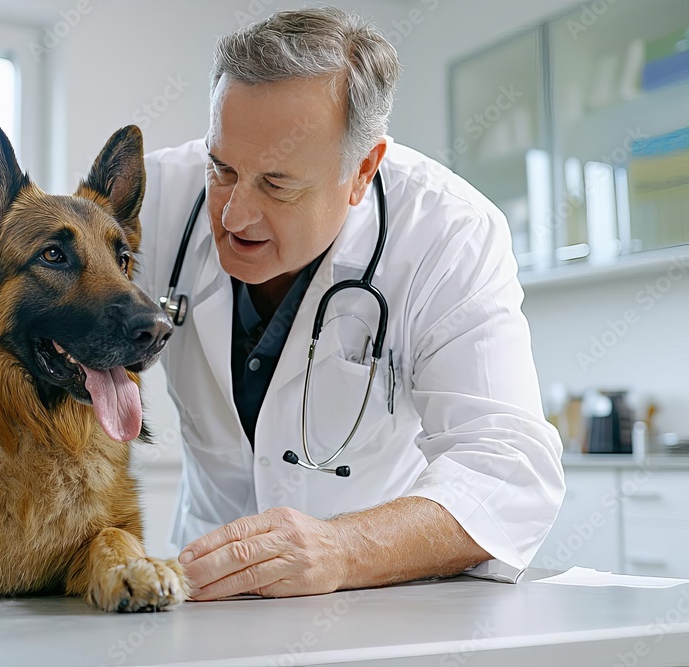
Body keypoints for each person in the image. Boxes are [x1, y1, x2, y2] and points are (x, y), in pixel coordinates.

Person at [134, 6, 565, 601]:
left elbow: (509, 470)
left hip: (372, 592)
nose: (233, 215)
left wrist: (342, 550)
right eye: (222, 168)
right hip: (204, 585)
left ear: (362, 169)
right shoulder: (153, 200)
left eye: (277, 184)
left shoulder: (448, 233)